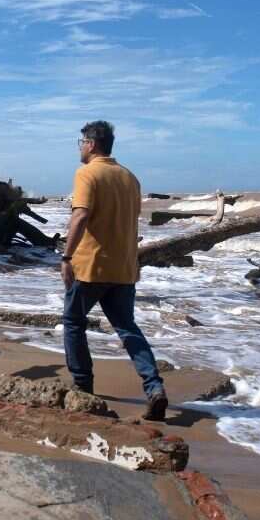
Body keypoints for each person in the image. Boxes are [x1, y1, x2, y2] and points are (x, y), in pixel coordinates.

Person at [60, 120, 168, 420]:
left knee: (73, 323)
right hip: (123, 268)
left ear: (91, 143)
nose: (79, 146)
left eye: (81, 141)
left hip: (91, 266)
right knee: (127, 328)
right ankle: (154, 387)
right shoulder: (130, 178)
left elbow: (81, 216)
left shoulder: (87, 173)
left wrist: (66, 257)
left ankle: (82, 386)